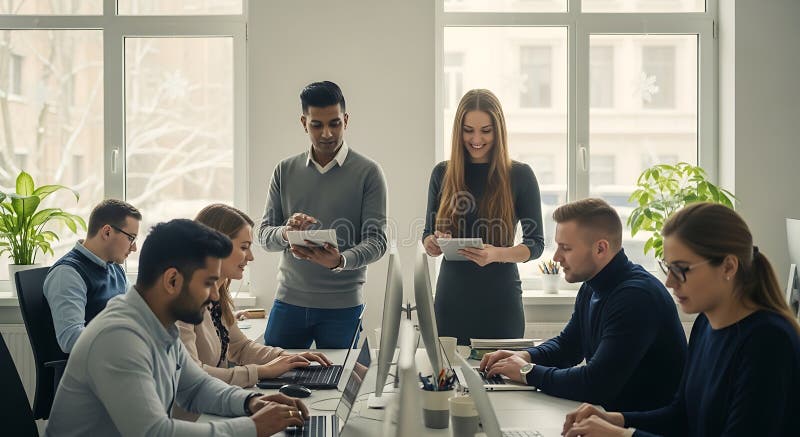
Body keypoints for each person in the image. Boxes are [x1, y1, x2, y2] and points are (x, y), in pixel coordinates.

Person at [45, 219, 309, 437]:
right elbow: (154, 433)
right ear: (172, 280)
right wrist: (252, 427)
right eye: (208, 283)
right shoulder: (119, 338)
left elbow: (196, 387)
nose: (215, 297)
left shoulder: (160, 325)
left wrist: (250, 403)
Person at [561, 203, 800, 437]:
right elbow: (682, 416)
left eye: (681, 269)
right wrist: (616, 419)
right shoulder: (706, 324)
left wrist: (623, 435)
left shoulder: (768, 341)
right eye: (668, 268)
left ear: (728, 266)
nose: (669, 282)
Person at [480, 198, 687, 411]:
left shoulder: (636, 298)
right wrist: (524, 356)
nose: (557, 257)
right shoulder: (591, 285)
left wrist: (527, 371)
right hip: (609, 422)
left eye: (565, 248)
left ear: (600, 249)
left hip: (639, 429)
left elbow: (595, 384)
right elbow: (567, 346)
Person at [258, 81, 387, 349]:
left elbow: (377, 242)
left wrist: (340, 261)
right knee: (273, 382)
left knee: (340, 385)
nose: (327, 133)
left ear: (346, 120)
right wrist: (286, 232)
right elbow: (264, 235)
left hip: (343, 306)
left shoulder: (369, 173)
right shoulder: (284, 170)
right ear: (304, 123)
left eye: (335, 123)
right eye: (317, 125)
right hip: (289, 302)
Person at [422, 89, 545, 345]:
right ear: (459, 131)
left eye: (486, 130)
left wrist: (496, 254)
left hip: (500, 304)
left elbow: (536, 245)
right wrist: (433, 242)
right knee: (450, 380)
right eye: (468, 130)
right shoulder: (442, 173)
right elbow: (427, 234)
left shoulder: (520, 175)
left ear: (498, 130)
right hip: (451, 301)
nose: (476, 139)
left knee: (501, 380)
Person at [178, 204, 332, 391]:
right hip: (196, 415)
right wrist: (262, 371)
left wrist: (286, 357)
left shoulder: (218, 297)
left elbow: (240, 347)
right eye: (244, 247)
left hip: (218, 401)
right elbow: (192, 375)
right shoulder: (181, 303)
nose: (250, 257)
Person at [44, 199, 141, 353]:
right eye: (131, 238)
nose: (134, 247)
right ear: (107, 232)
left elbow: (137, 309)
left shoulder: (116, 269)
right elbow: (70, 339)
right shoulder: (68, 273)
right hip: (93, 371)